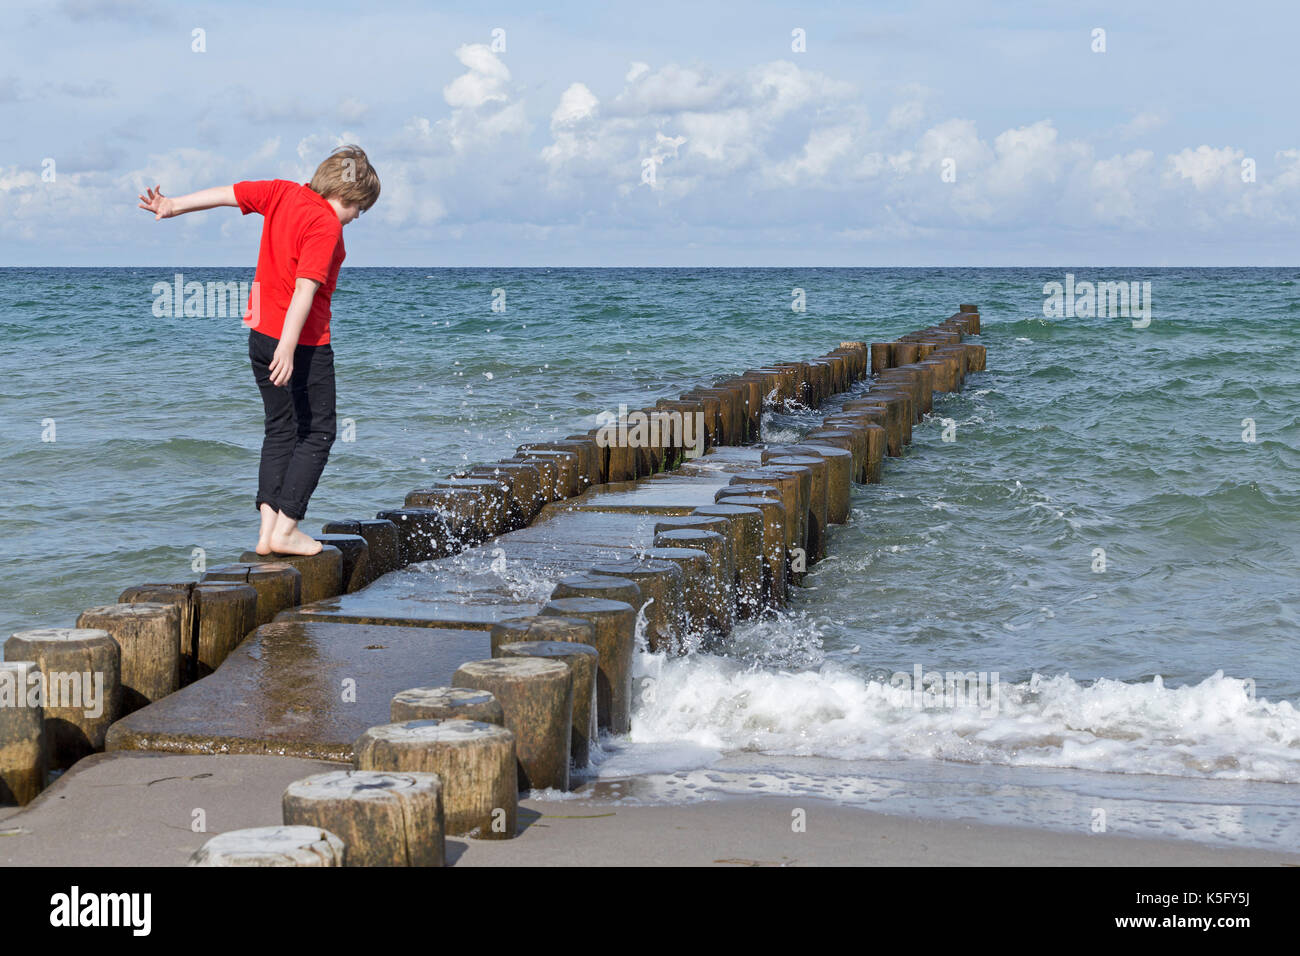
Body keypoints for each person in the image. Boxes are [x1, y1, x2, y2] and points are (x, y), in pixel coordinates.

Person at [137, 145, 380, 556]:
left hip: (260, 335)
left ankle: (268, 533)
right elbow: (306, 288)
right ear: (347, 195)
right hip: (300, 342)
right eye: (359, 209)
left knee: (279, 428)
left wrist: (174, 205)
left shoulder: (283, 192)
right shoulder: (326, 225)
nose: (356, 217)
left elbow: (230, 193)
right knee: (318, 432)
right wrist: (288, 347)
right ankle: (287, 529)